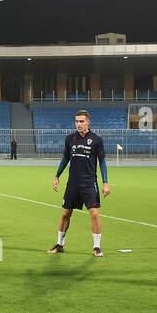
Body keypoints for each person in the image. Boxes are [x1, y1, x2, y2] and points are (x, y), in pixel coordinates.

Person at [48, 110, 110, 257]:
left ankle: (96, 247)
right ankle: (59, 244)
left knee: (94, 214)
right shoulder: (70, 139)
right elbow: (65, 158)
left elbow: (102, 162)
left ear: (88, 122)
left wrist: (105, 182)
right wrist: (57, 175)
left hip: (89, 183)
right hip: (73, 183)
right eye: (76, 121)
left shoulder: (96, 140)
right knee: (65, 214)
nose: (79, 124)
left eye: (81, 121)